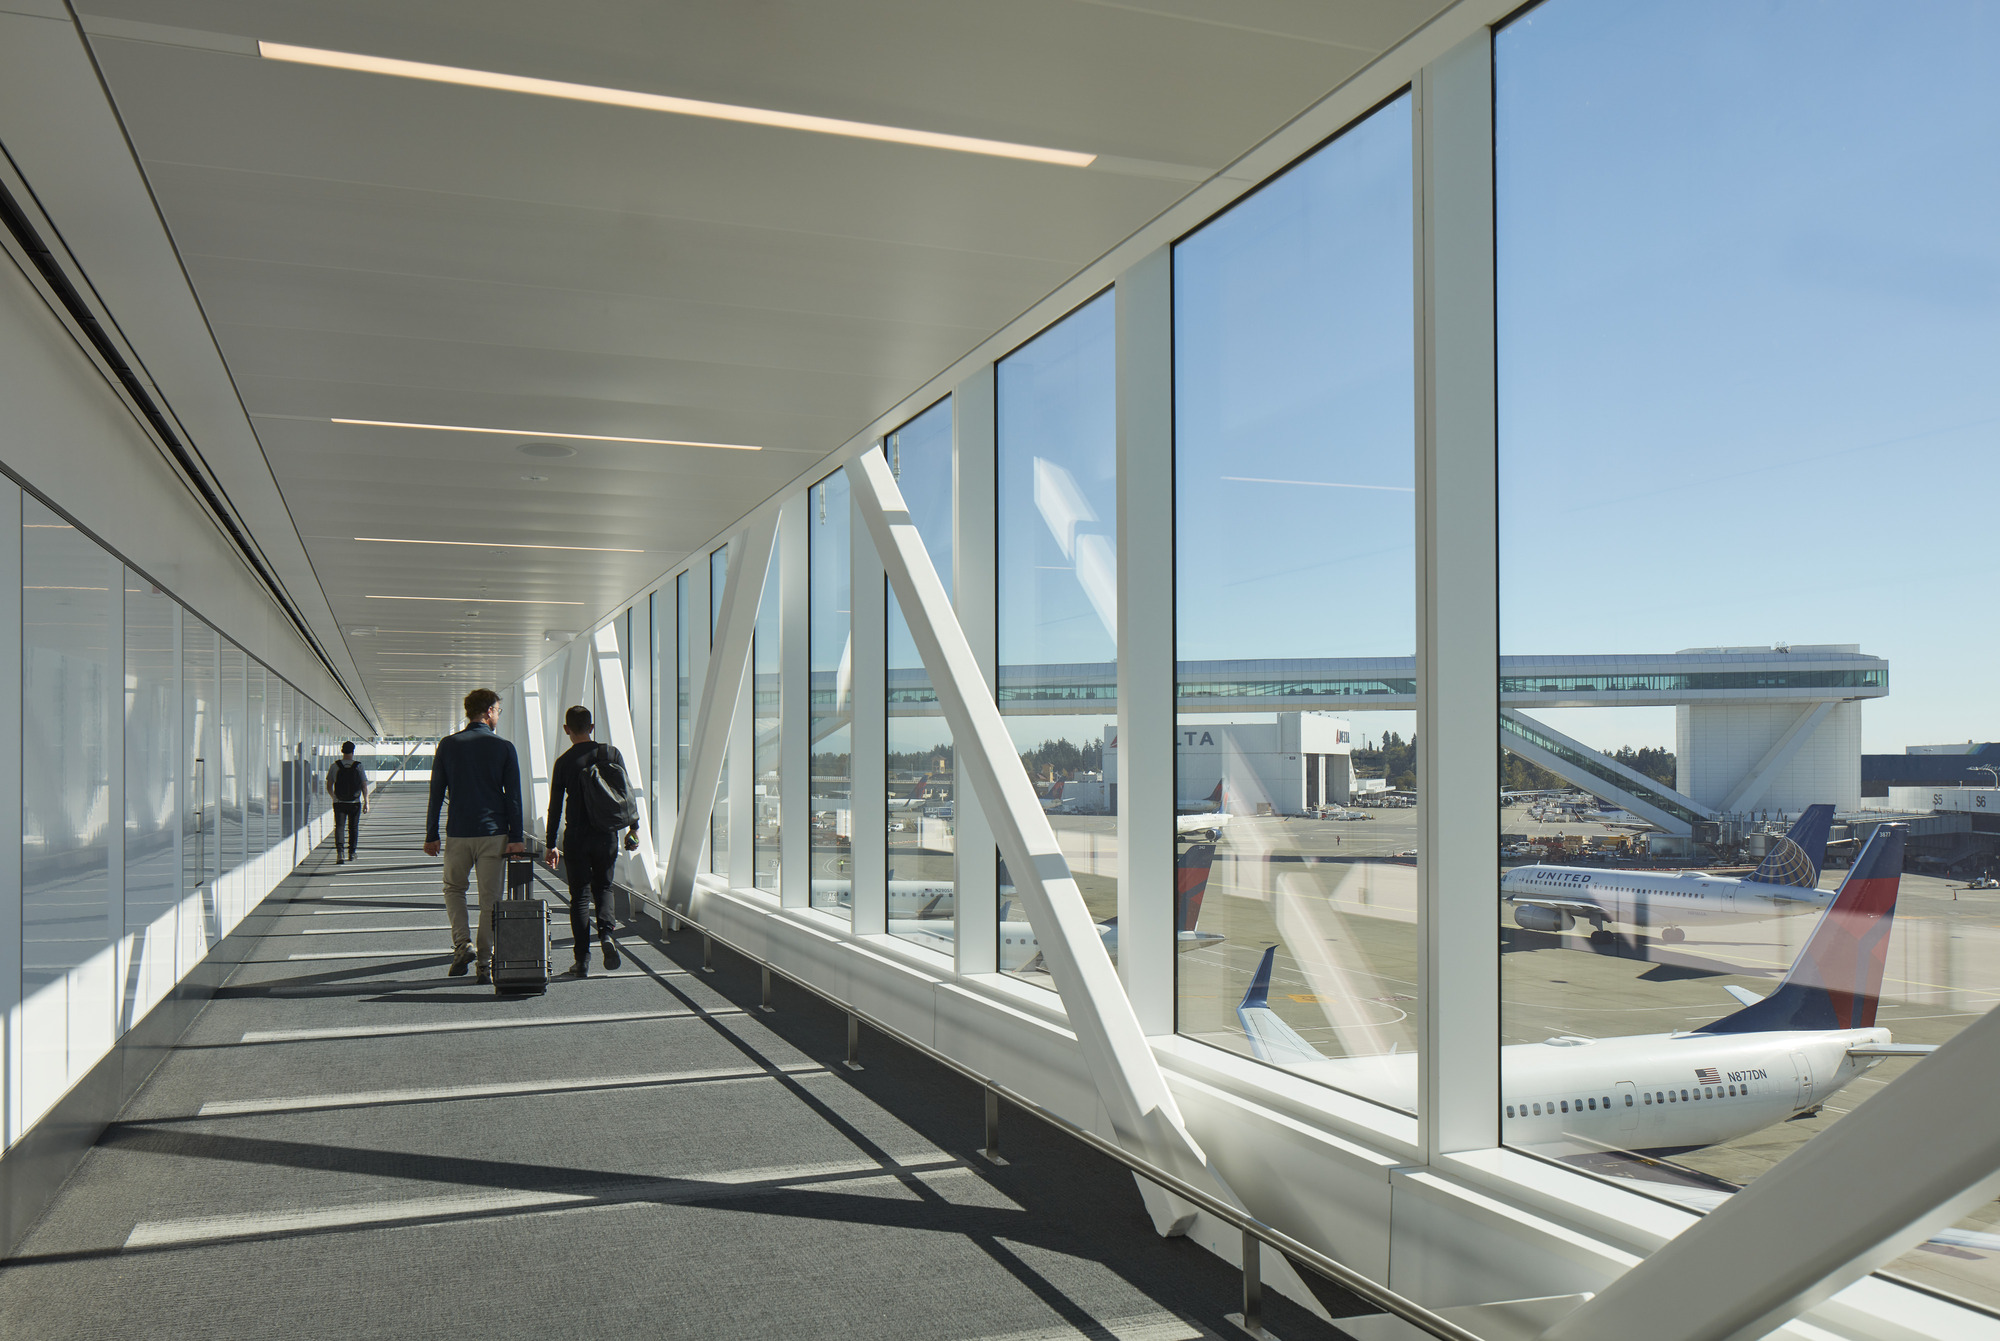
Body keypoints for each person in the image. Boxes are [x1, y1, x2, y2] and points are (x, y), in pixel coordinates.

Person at [425, 689, 526, 984]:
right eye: (498, 711)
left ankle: (462, 944)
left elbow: (436, 793)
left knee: (453, 889)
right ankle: (484, 962)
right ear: (489, 711)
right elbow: (514, 798)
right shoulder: (504, 747)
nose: (498, 716)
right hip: (494, 834)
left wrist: (432, 834)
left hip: (458, 832)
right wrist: (516, 837)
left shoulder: (448, 745)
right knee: (490, 901)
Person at [545, 705, 638, 976]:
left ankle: (582, 960)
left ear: (567, 730)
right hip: (606, 834)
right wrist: (634, 828)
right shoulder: (610, 754)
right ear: (592, 727)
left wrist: (551, 843)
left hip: (575, 837)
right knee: (605, 888)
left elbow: (555, 806)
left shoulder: (563, 762)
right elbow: (626, 794)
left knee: (580, 898)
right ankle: (607, 935)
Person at [325, 741, 369, 864]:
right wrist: (366, 802)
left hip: (339, 802)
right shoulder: (358, 766)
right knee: (353, 828)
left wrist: (334, 797)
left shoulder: (335, 766)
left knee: (339, 827)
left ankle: (340, 853)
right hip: (354, 802)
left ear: (342, 751)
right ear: (353, 751)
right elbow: (364, 785)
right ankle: (352, 853)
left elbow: (329, 785)